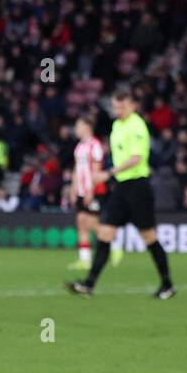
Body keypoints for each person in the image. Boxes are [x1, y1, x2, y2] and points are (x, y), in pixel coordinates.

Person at [66, 85, 176, 299]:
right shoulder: (117, 125)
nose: (118, 111)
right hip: (122, 187)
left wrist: (108, 173)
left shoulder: (137, 126)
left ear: (132, 106)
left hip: (138, 186)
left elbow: (136, 158)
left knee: (149, 237)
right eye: (115, 107)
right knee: (105, 232)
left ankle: (167, 284)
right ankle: (88, 285)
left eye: (122, 107)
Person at [66, 116, 105, 272]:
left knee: (92, 223)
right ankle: (85, 259)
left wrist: (90, 190)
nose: (76, 129)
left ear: (87, 127)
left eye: (78, 126)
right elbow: (77, 170)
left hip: (93, 190)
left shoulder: (95, 145)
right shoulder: (79, 147)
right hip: (81, 190)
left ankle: (113, 247)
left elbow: (96, 170)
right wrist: (74, 188)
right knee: (81, 221)